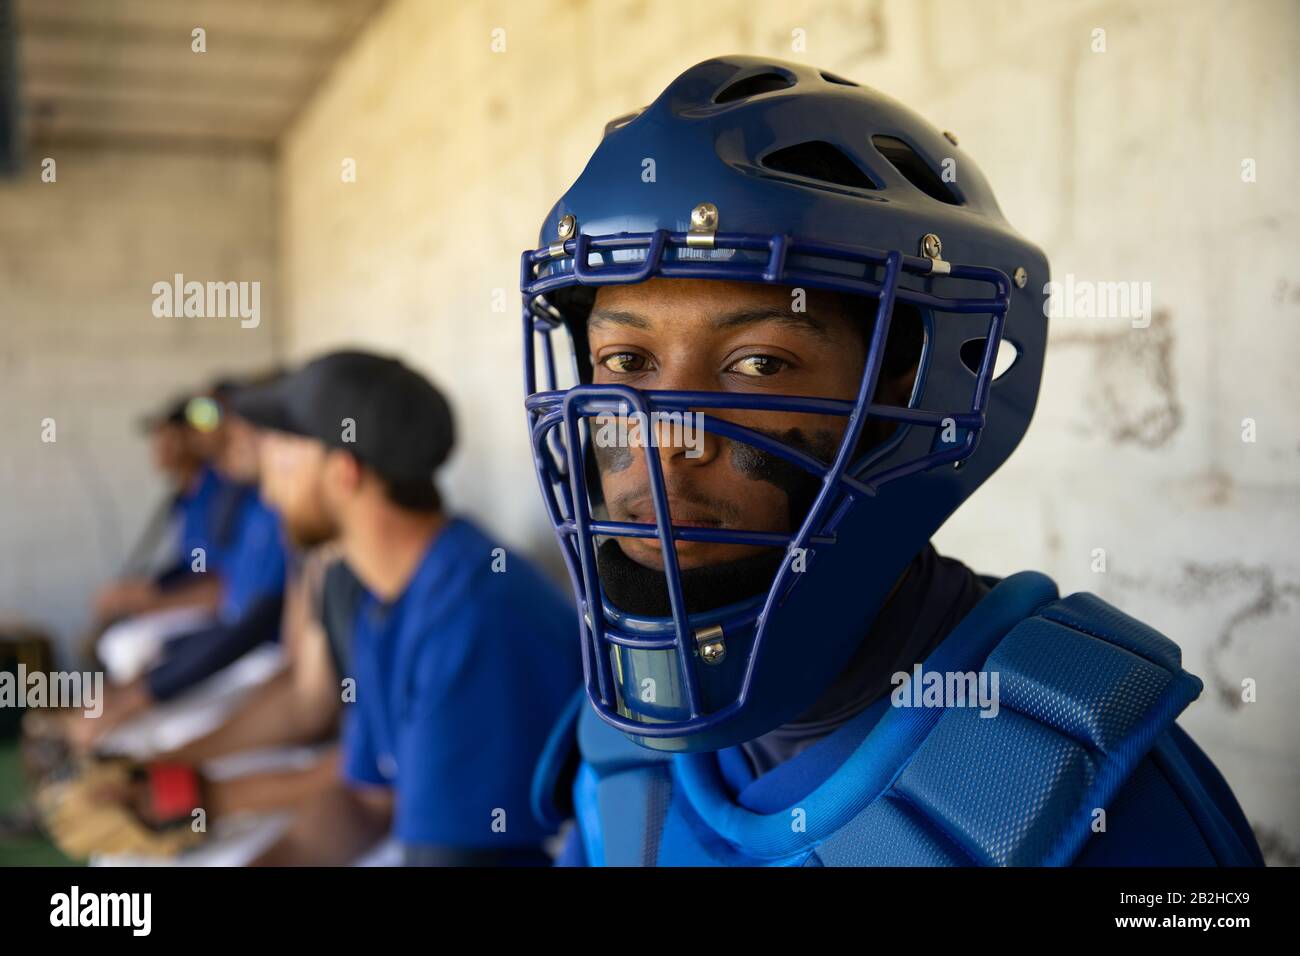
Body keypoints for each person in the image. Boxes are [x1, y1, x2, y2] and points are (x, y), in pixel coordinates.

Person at [522, 56, 1263, 866]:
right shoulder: (616, 738)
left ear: (907, 395)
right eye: (626, 360)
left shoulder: (1091, 795)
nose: (667, 435)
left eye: (759, 363)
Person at [234, 351, 581, 865]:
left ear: (344, 472)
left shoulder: (474, 615)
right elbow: (366, 801)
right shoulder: (384, 596)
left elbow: (451, 859)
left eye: (287, 446)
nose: (268, 485)